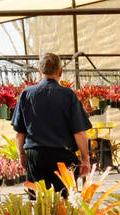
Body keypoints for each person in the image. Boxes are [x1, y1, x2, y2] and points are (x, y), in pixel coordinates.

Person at [10, 52, 92, 197]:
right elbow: (79, 132)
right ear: (60, 72)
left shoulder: (26, 94)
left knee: (39, 201)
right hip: (63, 157)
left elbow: (19, 133)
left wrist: (22, 155)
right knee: (64, 200)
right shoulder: (68, 95)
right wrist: (85, 159)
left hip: (36, 156)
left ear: (39, 71)